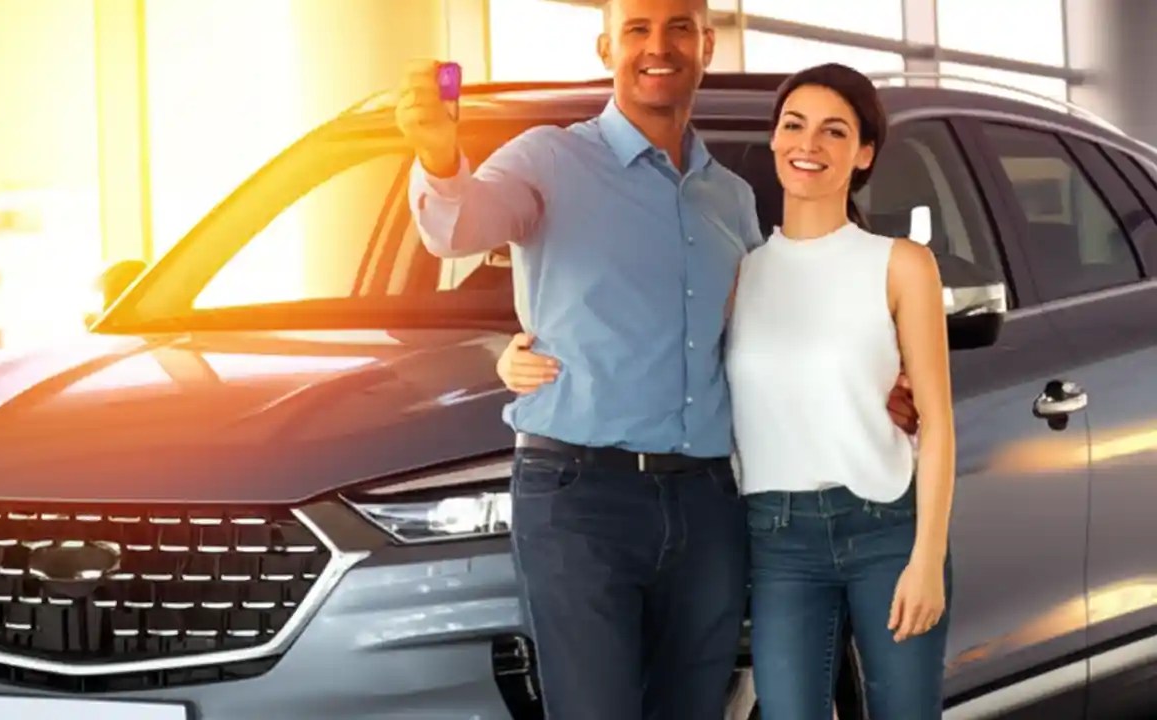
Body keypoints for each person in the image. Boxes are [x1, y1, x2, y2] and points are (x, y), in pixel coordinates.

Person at [396, 0, 917, 715]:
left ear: (706, 44)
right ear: (606, 46)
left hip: (706, 504)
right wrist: (434, 153)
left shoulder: (731, 199)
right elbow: (456, 226)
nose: (657, 46)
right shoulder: (547, 159)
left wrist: (872, 385)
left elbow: (761, 343)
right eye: (637, 28)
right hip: (581, 498)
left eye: (678, 27)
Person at [496, 62, 956, 720]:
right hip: (776, 539)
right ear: (773, 140)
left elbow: (937, 422)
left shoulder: (900, 264)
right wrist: (511, 356)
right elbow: (660, 351)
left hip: (885, 527)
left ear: (864, 153)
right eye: (794, 125)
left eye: (834, 131)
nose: (809, 144)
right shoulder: (743, 270)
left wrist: (928, 558)